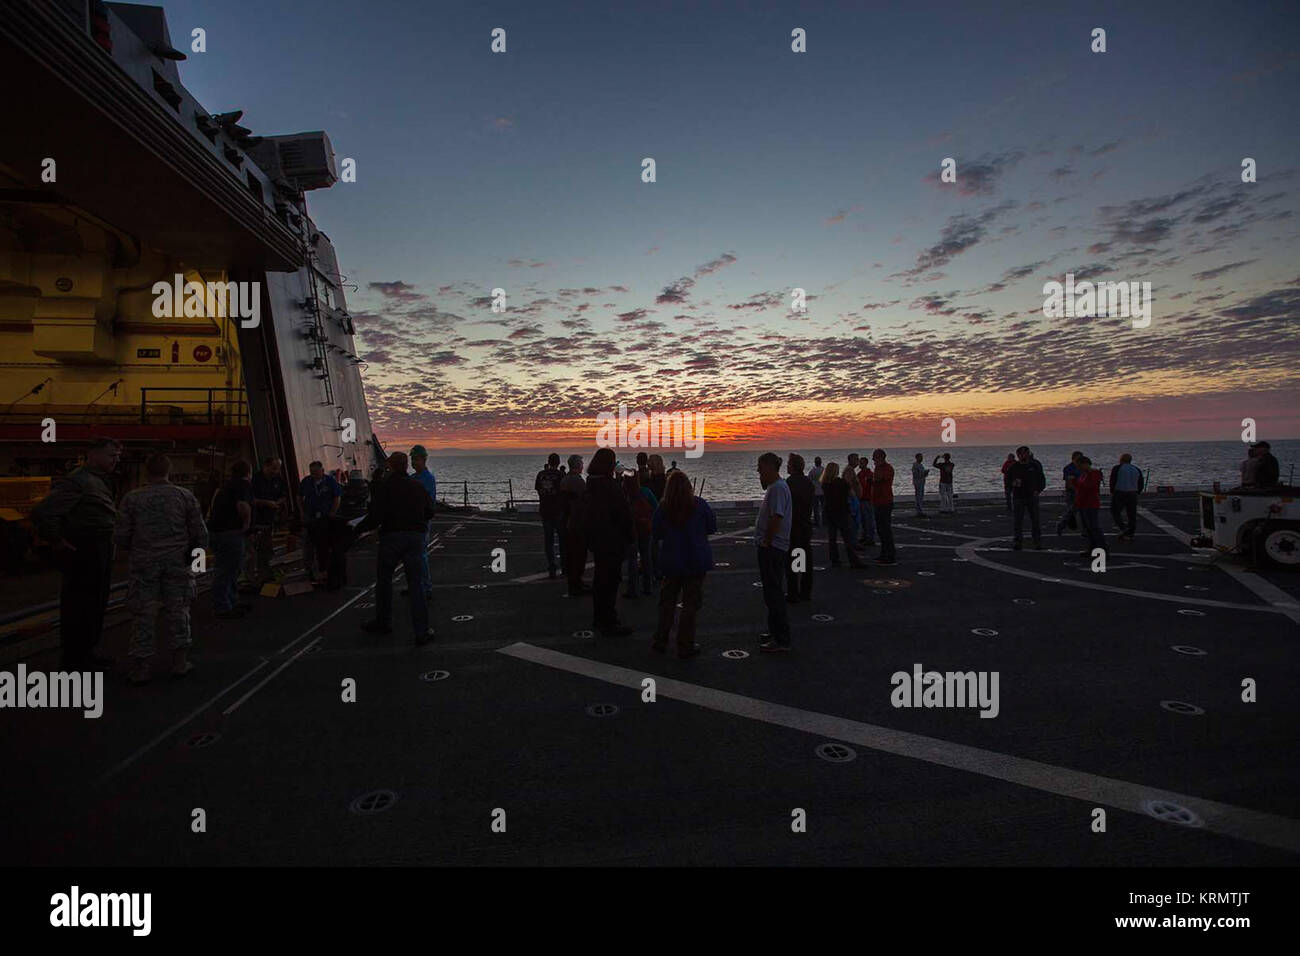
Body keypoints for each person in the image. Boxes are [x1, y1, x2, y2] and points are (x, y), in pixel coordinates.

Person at [114, 453, 207, 684]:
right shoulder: (184, 496)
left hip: (144, 563)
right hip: (178, 562)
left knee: (143, 614)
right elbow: (200, 534)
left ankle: (141, 667)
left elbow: (121, 536)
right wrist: (196, 566)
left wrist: (137, 551)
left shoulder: (132, 499)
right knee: (179, 610)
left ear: (147, 472)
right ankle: (179, 662)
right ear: (169, 470)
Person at [31, 437, 122, 669]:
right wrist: (57, 541)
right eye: (112, 455)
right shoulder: (77, 482)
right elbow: (43, 512)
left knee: (95, 604)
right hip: (84, 549)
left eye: (118, 455)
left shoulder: (100, 480)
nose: (116, 459)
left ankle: (88, 651)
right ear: (93, 454)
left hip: (98, 547)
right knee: (80, 606)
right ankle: (75, 658)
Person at [357, 452, 435, 644]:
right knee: (416, 584)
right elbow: (430, 512)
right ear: (406, 465)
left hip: (391, 538)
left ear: (390, 466)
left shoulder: (385, 488)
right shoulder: (417, 486)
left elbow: (374, 516)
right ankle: (421, 631)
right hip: (415, 538)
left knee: (384, 581)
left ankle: (384, 622)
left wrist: (356, 530)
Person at [651, 470, 716, 658]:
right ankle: (685, 644)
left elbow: (657, 533)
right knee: (690, 604)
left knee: (666, 603)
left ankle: (660, 640)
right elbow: (712, 527)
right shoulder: (699, 504)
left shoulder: (663, 508)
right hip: (696, 560)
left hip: (672, 561)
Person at [581, 447, 635, 636]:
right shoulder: (612, 487)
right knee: (611, 581)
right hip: (612, 540)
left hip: (596, 539)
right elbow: (624, 514)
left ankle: (600, 618)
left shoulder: (590, 484)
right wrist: (630, 536)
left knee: (600, 580)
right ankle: (609, 621)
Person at [755, 452, 792, 652]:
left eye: (760, 468)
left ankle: (781, 639)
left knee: (774, 593)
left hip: (773, 548)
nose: (758, 472)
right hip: (774, 547)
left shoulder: (777, 489)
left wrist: (767, 541)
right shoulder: (775, 487)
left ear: (769, 467)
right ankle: (775, 631)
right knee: (771, 593)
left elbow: (776, 517)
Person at [207, 460, 254, 619]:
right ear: (248, 471)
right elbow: (242, 506)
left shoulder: (227, 486)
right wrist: (247, 523)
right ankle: (222, 606)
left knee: (228, 568)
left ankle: (231, 601)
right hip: (229, 532)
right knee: (228, 569)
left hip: (217, 532)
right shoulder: (243, 484)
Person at [300, 460, 341, 584]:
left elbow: (337, 497)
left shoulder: (330, 482)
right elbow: (299, 496)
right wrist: (302, 512)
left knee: (323, 545)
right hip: (310, 517)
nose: (314, 475)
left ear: (322, 471)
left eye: (317, 472)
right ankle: (309, 570)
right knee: (308, 545)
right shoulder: (306, 482)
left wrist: (333, 512)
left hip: (324, 518)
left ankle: (324, 570)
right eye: (312, 473)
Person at [406, 445, 438, 599]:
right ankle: (415, 586)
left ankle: (426, 588)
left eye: (416, 459)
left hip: (421, 522)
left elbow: (427, 502)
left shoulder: (428, 479)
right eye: (412, 459)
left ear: (424, 460)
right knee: (412, 556)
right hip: (411, 522)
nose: (413, 462)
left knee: (421, 555)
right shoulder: (413, 479)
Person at [249, 457, 287, 585]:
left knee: (267, 548)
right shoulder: (255, 480)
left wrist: (277, 503)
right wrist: (266, 503)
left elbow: (283, 495)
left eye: (277, 468)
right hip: (256, 519)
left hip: (269, 518)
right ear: (266, 466)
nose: (276, 471)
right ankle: (253, 577)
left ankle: (266, 574)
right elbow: (250, 499)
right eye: (274, 468)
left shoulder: (277, 479)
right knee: (253, 551)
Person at [622, 472, 657, 598]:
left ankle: (633, 589)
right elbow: (656, 506)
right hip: (646, 527)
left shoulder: (624, 494)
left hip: (631, 529)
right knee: (646, 557)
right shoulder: (646, 492)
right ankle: (648, 586)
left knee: (632, 560)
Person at [785, 453, 815, 602]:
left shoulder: (789, 483)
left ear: (792, 466)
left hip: (793, 526)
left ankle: (793, 592)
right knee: (804, 559)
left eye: (789, 464)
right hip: (805, 525)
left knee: (792, 561)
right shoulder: (808, 482)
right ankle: (805, 591)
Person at [560, 454, 590, 596]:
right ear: (578, 465)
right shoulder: (578, 482)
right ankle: (576, 583)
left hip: (569, 521)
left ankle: (575, 583)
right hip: (578, 522)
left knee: (572, 555)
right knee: (579, 555)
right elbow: (585, 500)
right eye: (581, 464)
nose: (583, 466)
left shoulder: (565, 479)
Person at [1007, 446, 1046, 550]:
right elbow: (1007, 480)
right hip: (1018, 497)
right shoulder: (1013, 467)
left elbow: (1042, 479)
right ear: (1018, 455)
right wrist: (1012, 486)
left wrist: (1038, 490)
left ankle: (1037, 542)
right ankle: (1018, 542)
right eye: (1023, 453)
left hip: (1032, 497)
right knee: (1018, 521)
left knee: (1035, 521)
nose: (1025, 455)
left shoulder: (1035, 466)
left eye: (1027, 453)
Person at [535, 453, 564, 578]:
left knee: (549, 541)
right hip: (558, 511)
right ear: (558, 462)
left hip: (545, 510)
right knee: (563, 540)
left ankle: (551, 566)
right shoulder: (560, 475)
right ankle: (564, 566)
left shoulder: (541, 475)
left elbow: (538, 490)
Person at [1073, 455, 1106, 558]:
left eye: (1079, 466)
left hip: (1091, 504)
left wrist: (1077, 483)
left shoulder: (1094, 474)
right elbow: (1081, 488)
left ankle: (1102, 550)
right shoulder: (1084, 475)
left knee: (1094, 528)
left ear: (1085, 464)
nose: (1078, 468)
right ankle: (1092, 548)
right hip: (1083, 503)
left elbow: (1089, 487)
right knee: (1088, 528)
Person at [1108, 453, 1143, 541]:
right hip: (1132, 493)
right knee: (1132, 514)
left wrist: (1112, 491)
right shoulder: (1136, 469)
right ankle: (1130, 533)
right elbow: (1140, 482)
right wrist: (1137, 492)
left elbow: (1113, 480)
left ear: (1121, 460)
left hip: (1120, 492)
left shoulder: (1117, 468)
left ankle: (1123, 528)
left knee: (1115, 511)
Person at [871, 449, 897, 565]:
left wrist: (874, 479)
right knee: (881, 530)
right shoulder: (878, 468)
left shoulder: (887, 468)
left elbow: (879, 479)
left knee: (886, 530)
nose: (873, 460)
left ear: (881, 457)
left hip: (885, 502)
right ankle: (884, 553)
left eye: (875, 457)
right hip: (877, 501)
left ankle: (890, 555)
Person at [1057, 451, 1084, 534]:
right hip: (1072, 493)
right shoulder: (1068, 468)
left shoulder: (1082, 468)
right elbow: (1069, 482)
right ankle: (1061, 525)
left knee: (1084, 512)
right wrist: (1076, 490)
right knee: (1071, 511)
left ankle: (1086, 531)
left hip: (1082, 492)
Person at [856, 456, 876, 548]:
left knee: (869, 519)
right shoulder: (860, 474)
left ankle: (870, 537)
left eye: (861, 462)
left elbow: (872, 486)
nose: (860, 464)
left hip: (867, 499)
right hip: (861, 498)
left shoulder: (869, 474)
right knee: (864, 520)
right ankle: (865, 536)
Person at [911, 453, 930, 517]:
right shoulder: (915, 466)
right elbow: (915, 475)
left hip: (921, 482)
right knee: (918, 497)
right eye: (920, 457)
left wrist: (925, 473)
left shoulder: (920, 465)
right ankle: (919, 511)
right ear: (917, 458)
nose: (922, 458)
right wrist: (923, 473)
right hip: (918, 483)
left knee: (920, 497)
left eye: (922, 457)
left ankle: (920, 510)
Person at [808, 456, 825, 527]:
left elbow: (809, 480)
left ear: (815, 463)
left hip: (815, 491)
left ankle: (817, 521)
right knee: (823, 507)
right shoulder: (824, 470)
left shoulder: (812, 471)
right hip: (823, 490)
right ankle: (824, 521)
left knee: (815, 508)